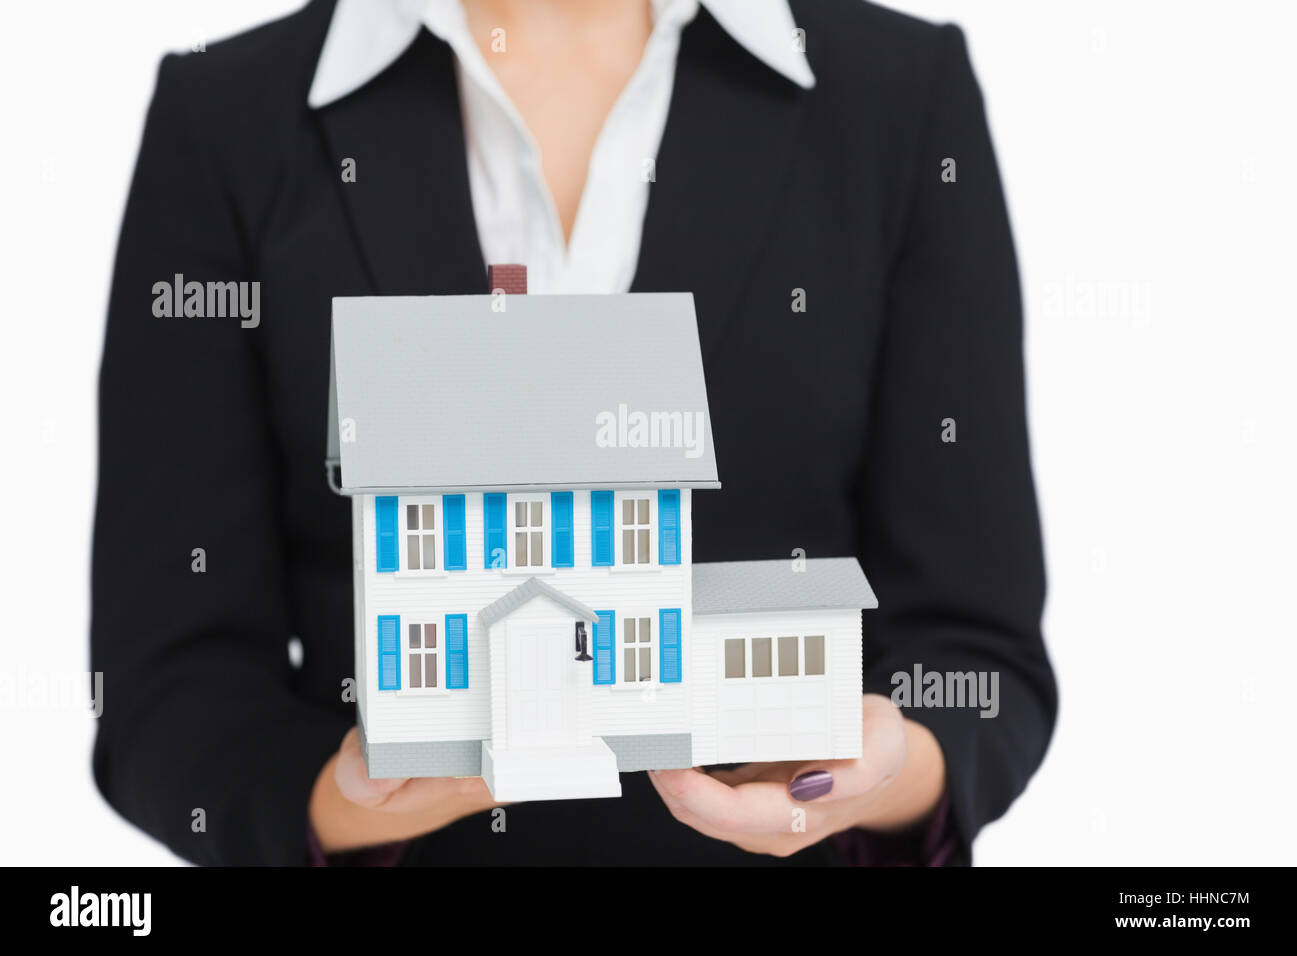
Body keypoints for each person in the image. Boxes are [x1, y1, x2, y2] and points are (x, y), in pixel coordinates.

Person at [92, 0, 1056, 865]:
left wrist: (892, 769)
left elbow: (975, 650)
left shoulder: (898, 93)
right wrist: (341, 810)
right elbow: (170, 686)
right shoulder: (227, 112)